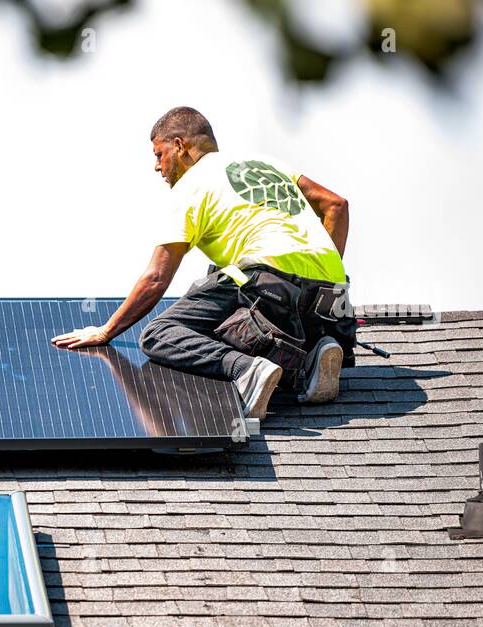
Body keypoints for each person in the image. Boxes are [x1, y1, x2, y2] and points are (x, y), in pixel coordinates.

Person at [52, 106, 352, 419]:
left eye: (159, 154)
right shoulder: (266, 164)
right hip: (331, 298)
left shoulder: (192, 186)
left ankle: (247, 370)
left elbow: (156, 277)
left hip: (267, 280)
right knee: (226, 280)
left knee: (160, 333)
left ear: (179, 145)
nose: (157, 167)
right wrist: (318, 281)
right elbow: (336, 205)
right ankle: (314, 354)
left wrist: (106, 331)